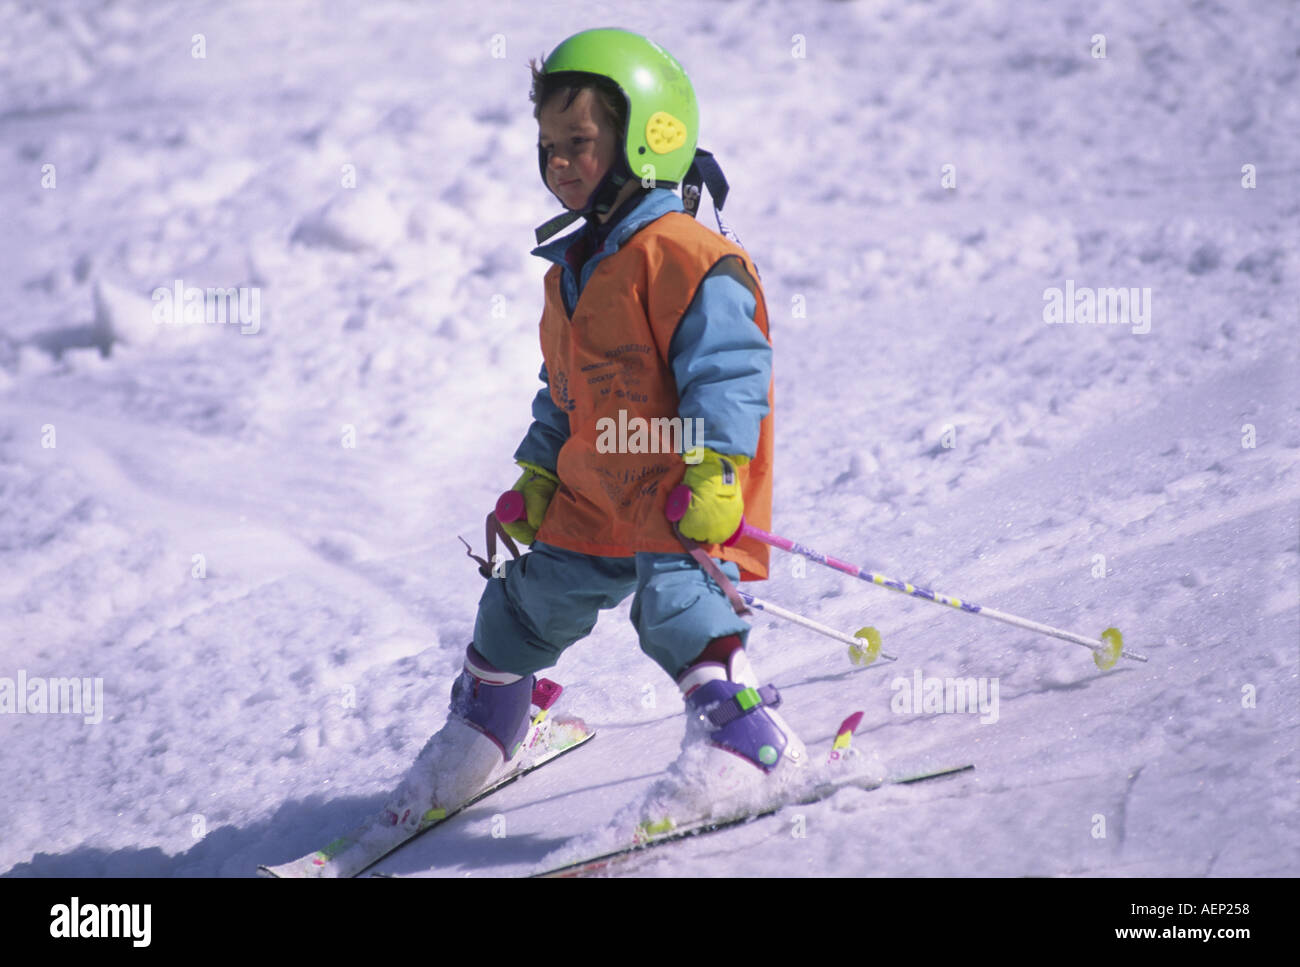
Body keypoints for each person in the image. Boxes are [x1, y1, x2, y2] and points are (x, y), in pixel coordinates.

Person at [409, 28, 804, 817]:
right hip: (594, 490)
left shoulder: (686, 257)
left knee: (676, 608)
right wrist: (540, 471)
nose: (558, 161)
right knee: (525, 600)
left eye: (579, 142)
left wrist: (718, 467)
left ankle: (747, 739)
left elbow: (728, 368)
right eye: (548, 145)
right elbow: (562, 391)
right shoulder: (571, 271)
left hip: (676, 487)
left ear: (650, 136)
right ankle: (491, 720)